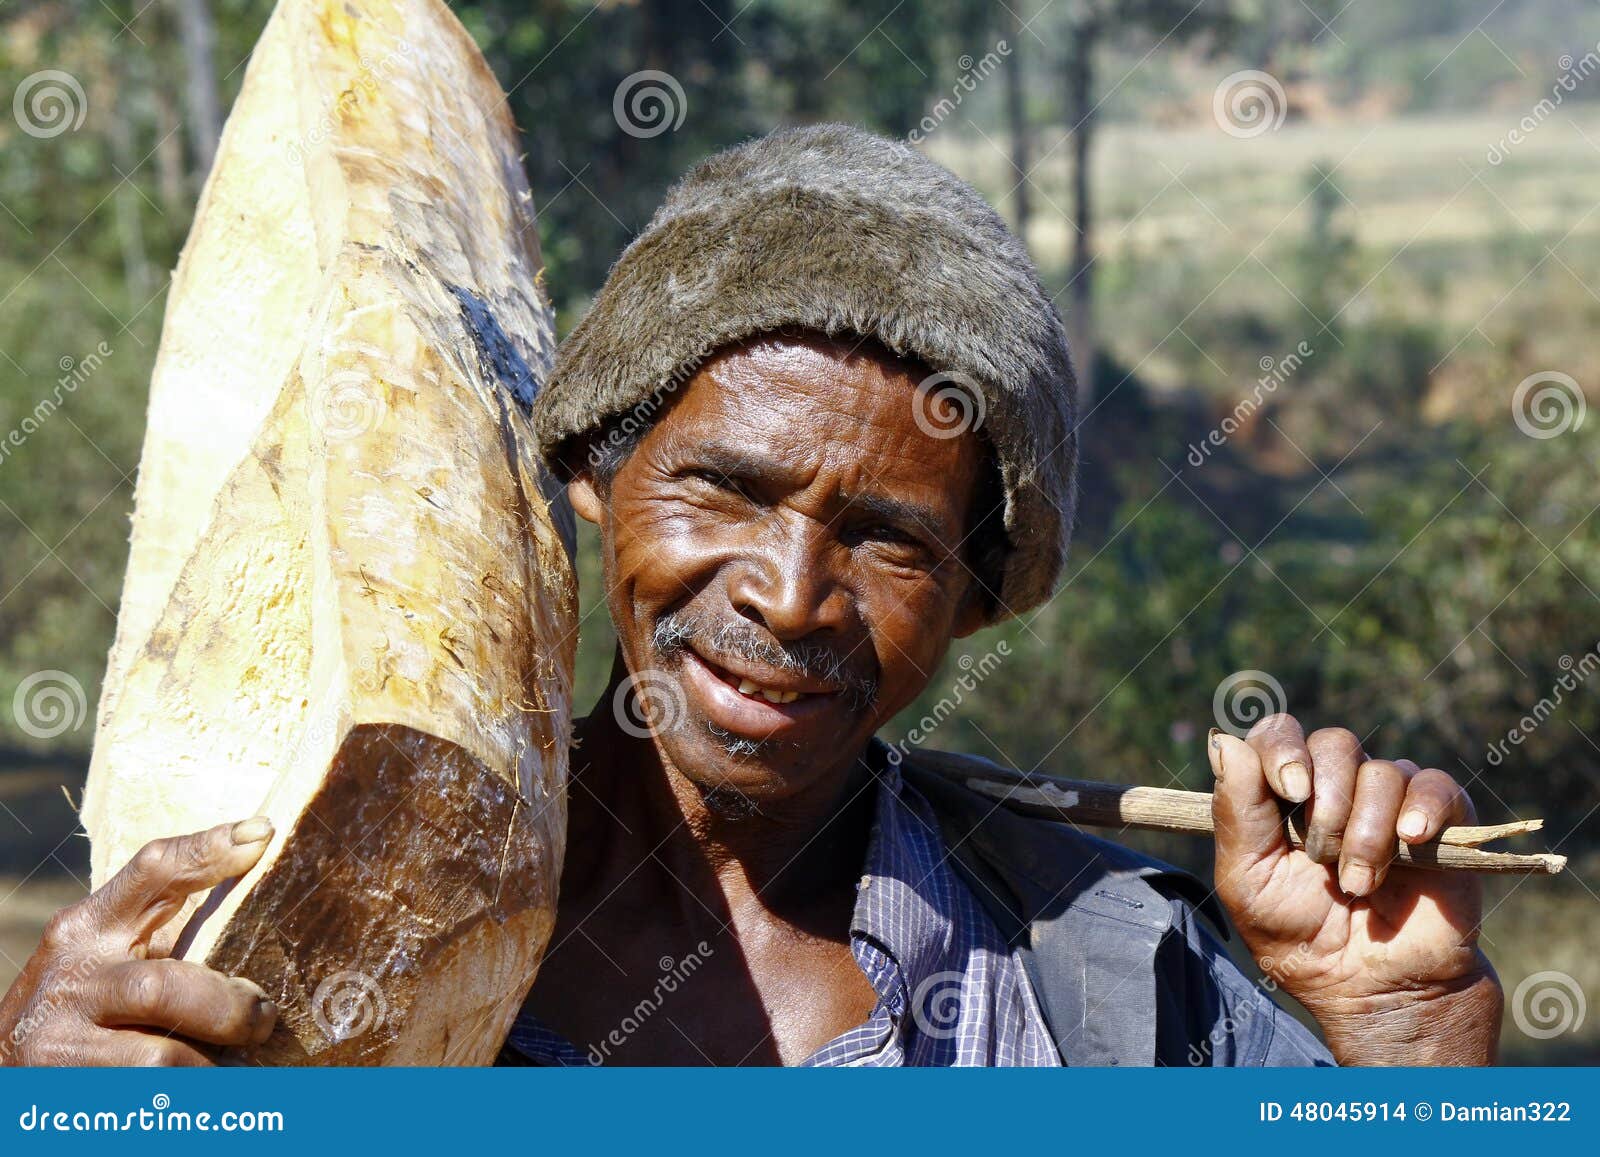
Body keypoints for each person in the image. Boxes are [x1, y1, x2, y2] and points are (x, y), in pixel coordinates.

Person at [0, 125, 1501, 1067]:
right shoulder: (290, 922)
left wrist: (1410, 1040)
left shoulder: (1111, 982)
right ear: (595, 469)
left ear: (978, 595)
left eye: (892, 539)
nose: (791, 597)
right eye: (725, 487)